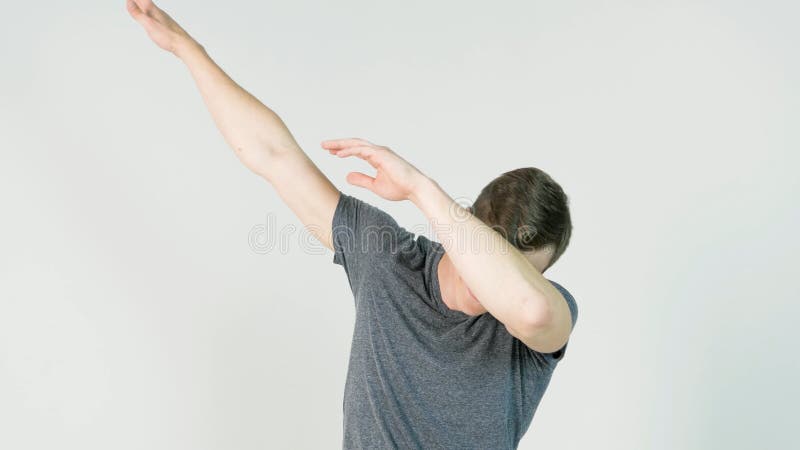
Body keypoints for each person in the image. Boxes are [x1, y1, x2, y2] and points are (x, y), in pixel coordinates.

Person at [126, 1, 579, 448]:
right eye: (500, 259)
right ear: (470, 227)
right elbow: (273, 155)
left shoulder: (547, 316)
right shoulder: (390, 260)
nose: (502, 287)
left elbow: (533, 311)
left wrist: (421, 188)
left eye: (527, 273)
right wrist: (189, 50)